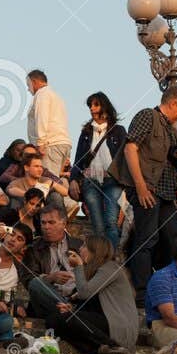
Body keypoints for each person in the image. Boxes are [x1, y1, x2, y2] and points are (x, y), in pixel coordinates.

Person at [118, 83, 177, 292]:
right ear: (174, 102)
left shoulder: (170, 128)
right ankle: (141, 290)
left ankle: (167, 287)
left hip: (167, 193)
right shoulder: (147, 116)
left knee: (173, 240)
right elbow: (130, 148)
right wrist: (141, 187)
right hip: (148, 190)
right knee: (147, 239)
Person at [46, 235, 138, 354]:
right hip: (106, 323)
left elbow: (85, 293)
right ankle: (99, 349)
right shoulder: (98, 271)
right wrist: (73, 309)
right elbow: (94, 303)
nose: (80, 249)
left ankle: (112, 345)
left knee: (59, 320)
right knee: (53, 323)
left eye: (84, 245)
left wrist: (78, 266)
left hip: (119, 327)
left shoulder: (110, 267)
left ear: (94, 250)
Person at [71, 92, 124, 243]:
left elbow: (124, 158)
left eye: (95, 105)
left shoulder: (118, 131)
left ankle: (111, 258)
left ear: (104, 106)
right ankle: (101, 259)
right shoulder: (86, 132)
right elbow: (78, 159)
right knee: (98, 225)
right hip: (90, 180)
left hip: (112, 181)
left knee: (111, 222)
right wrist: (74, 179)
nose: (92, 109)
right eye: (90, 106)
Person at [25, 69, 71, 177]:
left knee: (47, 181)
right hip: (62, 143)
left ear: (34, 82)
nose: (28, 89)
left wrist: (40, 144)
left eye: (28, 85)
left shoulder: (42, 94)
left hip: (50, 145)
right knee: (54, 181)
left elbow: (42, 117)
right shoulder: (56, 96)